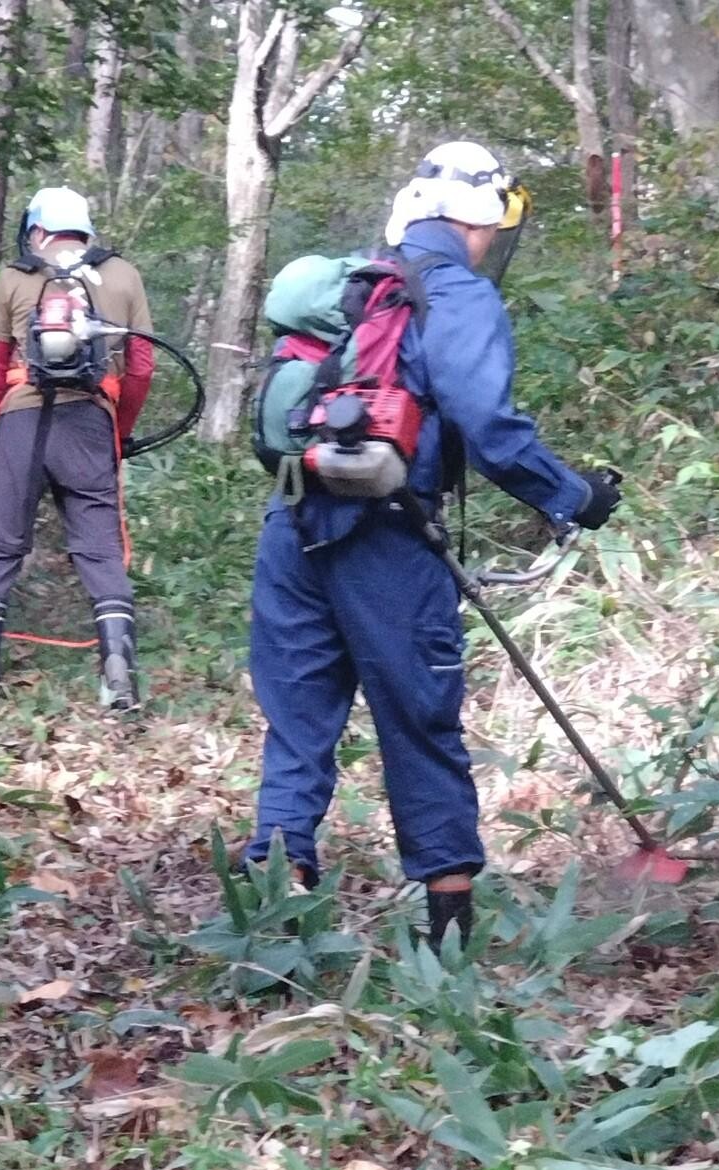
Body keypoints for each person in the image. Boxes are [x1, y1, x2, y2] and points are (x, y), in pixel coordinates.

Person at [243, 142, 621, 950]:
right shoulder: (457, 294)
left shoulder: (352, 285)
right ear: (475, 223)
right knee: (420, 724)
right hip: (388, 541)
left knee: (299, 723)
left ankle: (271, 932)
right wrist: (574, 495)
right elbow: (488, 426)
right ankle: (447, 948)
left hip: (293, 520)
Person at [0, 186, 155, 710]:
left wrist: (0, 427)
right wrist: (118, 430)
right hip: (91, 423)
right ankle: (119, 677)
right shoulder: (123, 276)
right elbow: (141, 368)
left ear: (37, 230)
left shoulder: (14, 277)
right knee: (98, 548)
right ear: (85, 230)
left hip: (22, 420)